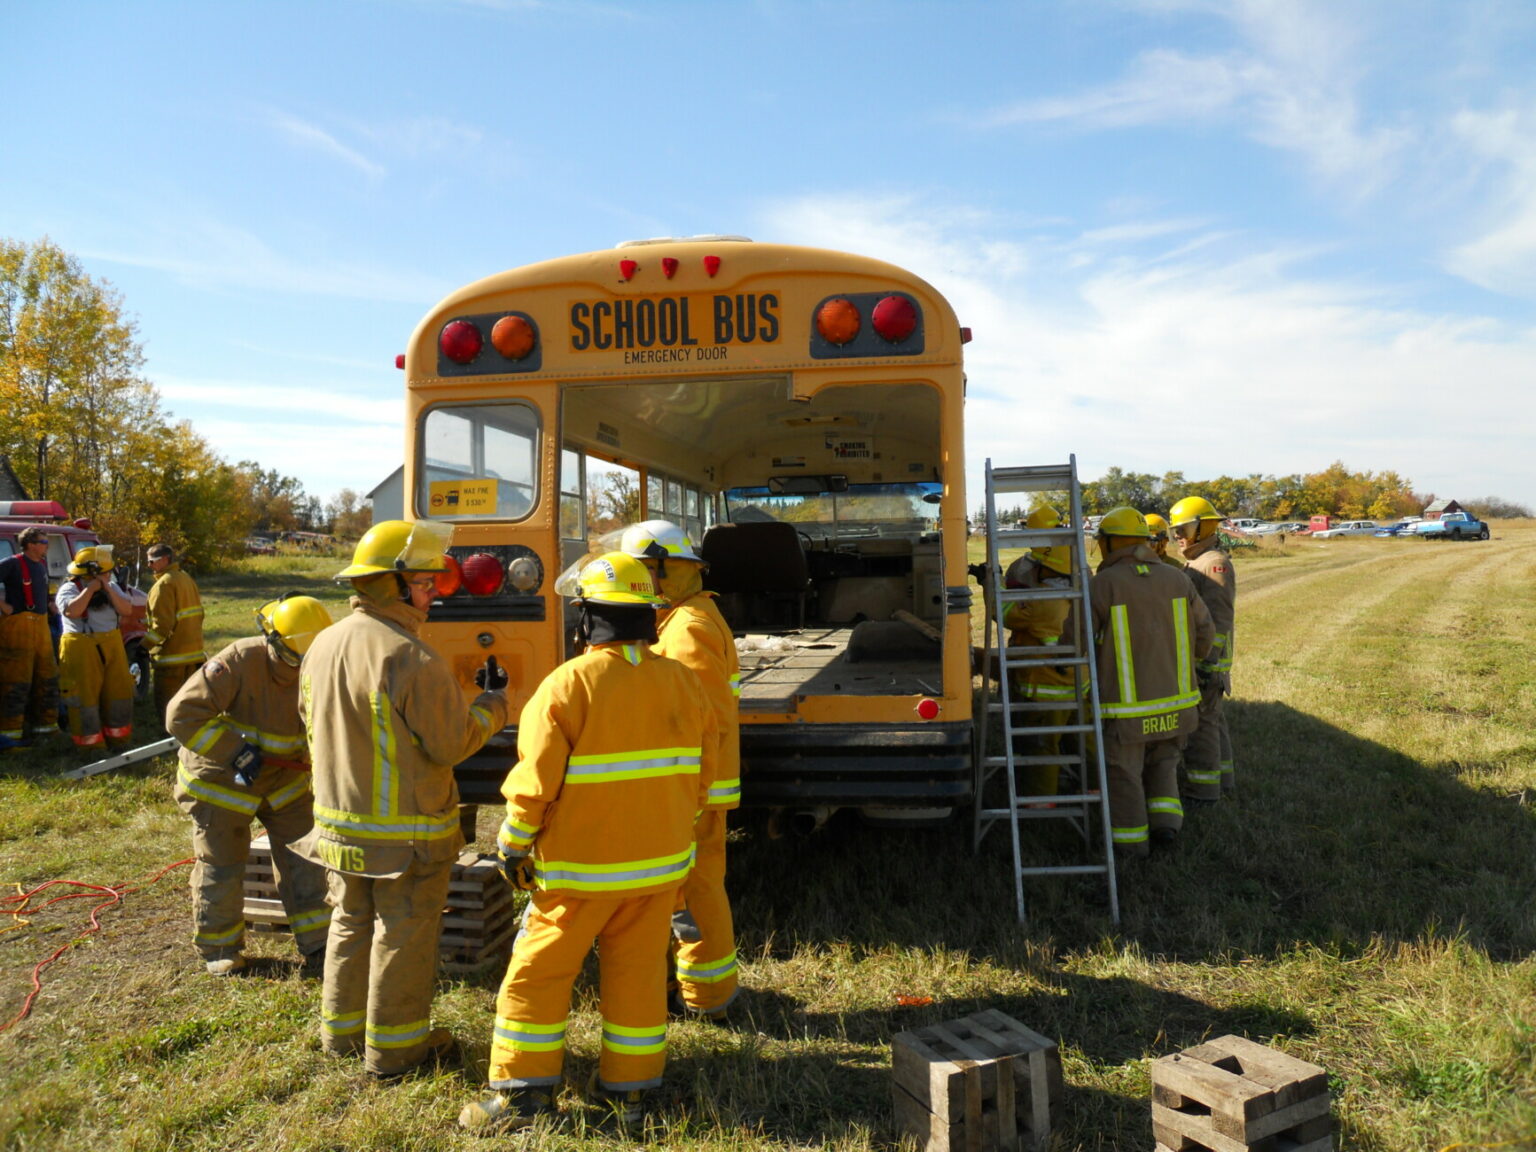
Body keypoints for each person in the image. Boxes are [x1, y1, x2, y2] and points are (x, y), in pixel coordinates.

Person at [459, 551, 718, 1134]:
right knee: (638, 978)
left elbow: (533, 786)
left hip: (578, 876)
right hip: (657, 874)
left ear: (587, 616)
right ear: (649, 616)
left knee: (538, 975)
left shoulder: (565, 686)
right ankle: (630, 1095)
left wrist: (513, 847)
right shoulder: (682, 682)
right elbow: (699, 779)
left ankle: (522, 1097)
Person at [299, 519, 509, 1080]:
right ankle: (395, 1053)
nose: (433, 594)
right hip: (405, 838)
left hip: (338, 829)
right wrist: (494, 704)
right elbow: (450, 743)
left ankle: (340, 1036)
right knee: (404, 935)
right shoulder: (413, 658)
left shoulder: (323, 643)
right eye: (423, 584)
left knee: (349, 923)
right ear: (391, 585)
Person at [168, 595, 335, 976]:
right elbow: (182, 714)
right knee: (222, 864)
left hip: (284, 784)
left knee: (307, 857)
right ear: (273, 640)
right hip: (222, 783)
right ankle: (221, 947)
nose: (300, 669)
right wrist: (234, 750)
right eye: (293, 659)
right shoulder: (240, 660)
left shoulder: (321, 663)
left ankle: (319, 942)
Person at [620, 519, 741, 1021]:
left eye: (644, 573)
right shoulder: (685, 617)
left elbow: (700, 722)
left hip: (694, 789)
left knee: (694, 891)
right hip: (696, 786)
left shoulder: (688, 628)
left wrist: (685, 794)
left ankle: (708, 998)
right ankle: (692, 986)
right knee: (689, 888)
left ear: (665, 570)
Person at [1088, 508, 1213, 858]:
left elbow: (1076, 644)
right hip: (1178, 705)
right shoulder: (1178, 580)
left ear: (1110, 542)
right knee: (1164, 764)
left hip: (1126, 712)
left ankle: (1131, 847)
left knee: (1124, 774)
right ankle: (1167, 827)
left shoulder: (1103, 585)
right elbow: (1205, 634)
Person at [1000, 507, 1077, 803]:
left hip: (1043, 682)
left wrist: (990, 586)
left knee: (1042, 743)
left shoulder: (1043, 600)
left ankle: (1041, 800)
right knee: (1079, 737)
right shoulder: (1074, 569)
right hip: (1074, 677)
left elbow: (1005, 612)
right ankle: (1093, 785)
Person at [1168, 496, 1237, 802]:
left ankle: (1204, 790)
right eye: (1175, 531)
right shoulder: (1197, 562)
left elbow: (1220, 620)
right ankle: (1225, 781)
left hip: (1207, 663)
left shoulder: (1214, 563)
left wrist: (1208, 663)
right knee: (1213, 720)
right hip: (1203, 661)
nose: (1178, 537)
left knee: (1203, 726)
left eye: (1183, 529)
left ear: (1204, 526)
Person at [56, 545, 135, 749]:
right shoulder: (70, 589)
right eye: (106, 572)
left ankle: (119, 740)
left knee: (118, 692)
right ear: (92, 574)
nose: (109, 575)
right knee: (84, 698)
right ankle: (90, 746)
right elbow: (72, 611)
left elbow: (126, 609)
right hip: (81, 646)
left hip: (112, 643)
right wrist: (91, 590)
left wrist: (108, 589)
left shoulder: (113, 587)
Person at [0, 527, 60, 752]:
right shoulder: (13, 563)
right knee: (16, 681)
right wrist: (4, 607)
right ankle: (9, 735)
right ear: (31, 544)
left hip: (41, 627)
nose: (47, 544)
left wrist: (52, 607)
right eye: (43, 541)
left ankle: (46, 728)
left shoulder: (40, 566)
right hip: (18, 629)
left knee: (47, 677)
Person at [145, 543, 206, 723]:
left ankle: (168, 737)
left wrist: (144, 647)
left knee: (168, 703)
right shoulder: (185, 578)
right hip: (193, 654)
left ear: (165, 560)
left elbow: (161, 625)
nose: (149, 565)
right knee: (189, 700)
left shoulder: (164, 584)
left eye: (152, 561)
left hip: (172, 658)